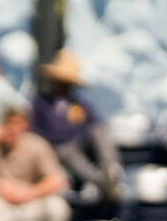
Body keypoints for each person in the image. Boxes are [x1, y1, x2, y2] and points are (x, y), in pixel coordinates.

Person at [30, 49, 124, 203]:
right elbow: (43, 133)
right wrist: (71, 130)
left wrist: (80, 126)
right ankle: (99, 180)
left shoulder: (78, 105)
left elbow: (94, 123)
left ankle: (112, 169)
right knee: (66, 150)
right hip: (56, 150)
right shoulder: (41, 105)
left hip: (79, 145)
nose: (63, 87)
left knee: (98, 129)